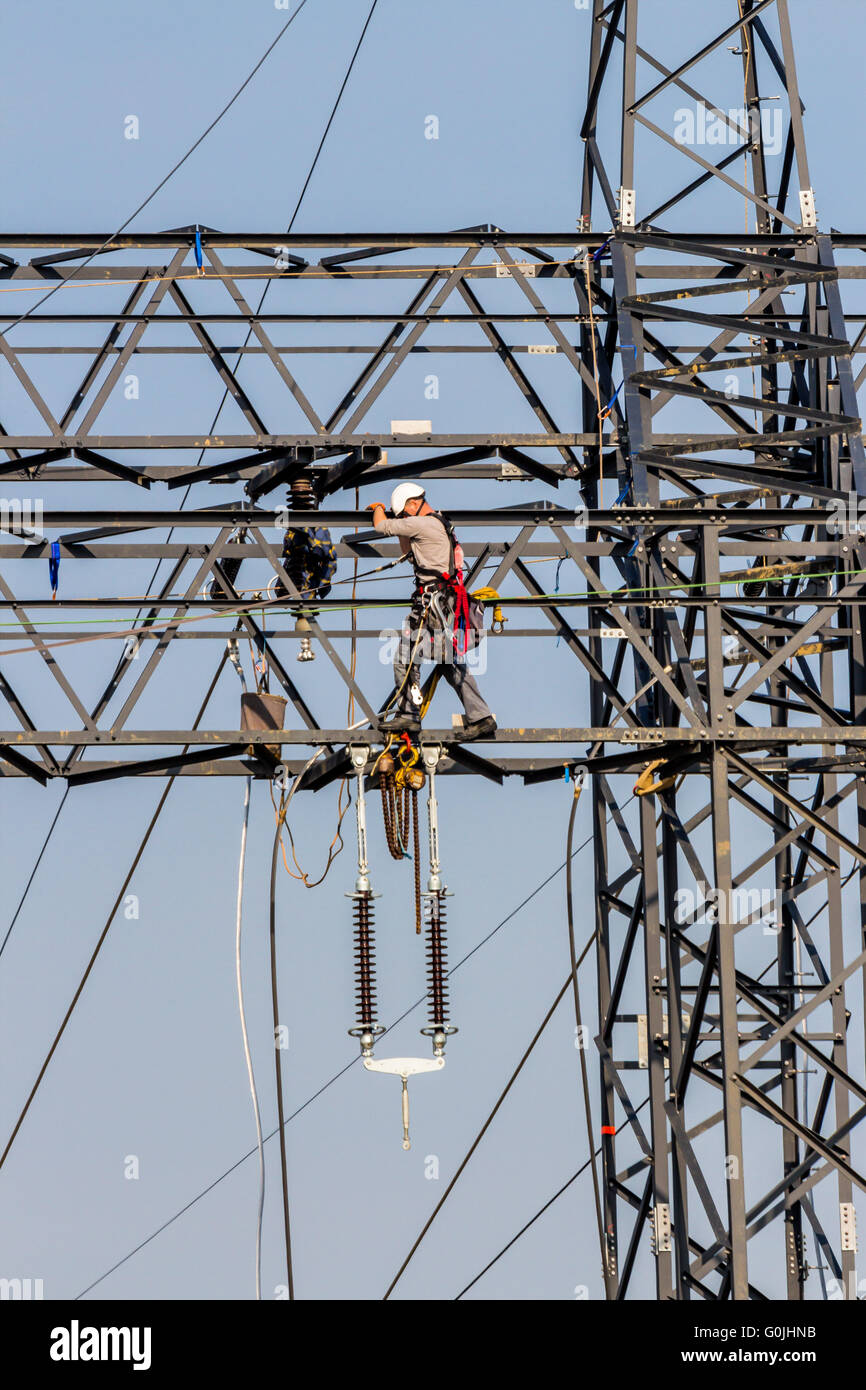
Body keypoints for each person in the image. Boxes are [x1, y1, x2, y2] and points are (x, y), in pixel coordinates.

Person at [367, 483, 497, 739]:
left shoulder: (424, 523)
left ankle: (408, 715)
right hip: (442, 603)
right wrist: (401, 521)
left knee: (404, 657)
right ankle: (481, 717)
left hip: (433, 604)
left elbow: (381, 526)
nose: (404, 518)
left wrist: (379, 509)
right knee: (449, 662)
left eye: (405, 512)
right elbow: (407, 550)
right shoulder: (435, 523)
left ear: (414, 503)